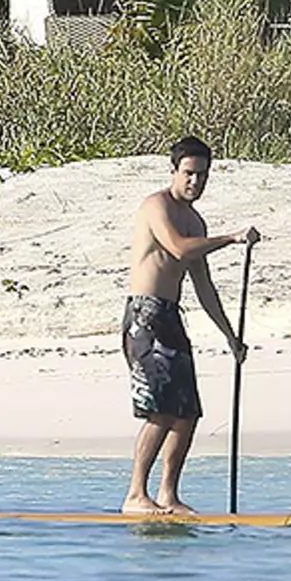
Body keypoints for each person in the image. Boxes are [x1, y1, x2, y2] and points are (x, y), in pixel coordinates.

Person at [121, 136, 260, 515]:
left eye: (202, 175)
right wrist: (232, 238)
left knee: (187, 413)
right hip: (144, 318)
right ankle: (136, 495)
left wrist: (231, 337)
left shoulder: (195, 220)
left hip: (172, 318)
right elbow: (179, 249)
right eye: (188, 174)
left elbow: (203, 286)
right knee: (162, 411)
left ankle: (168, 495)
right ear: (174, 172)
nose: (195, 182)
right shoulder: (156, 206)